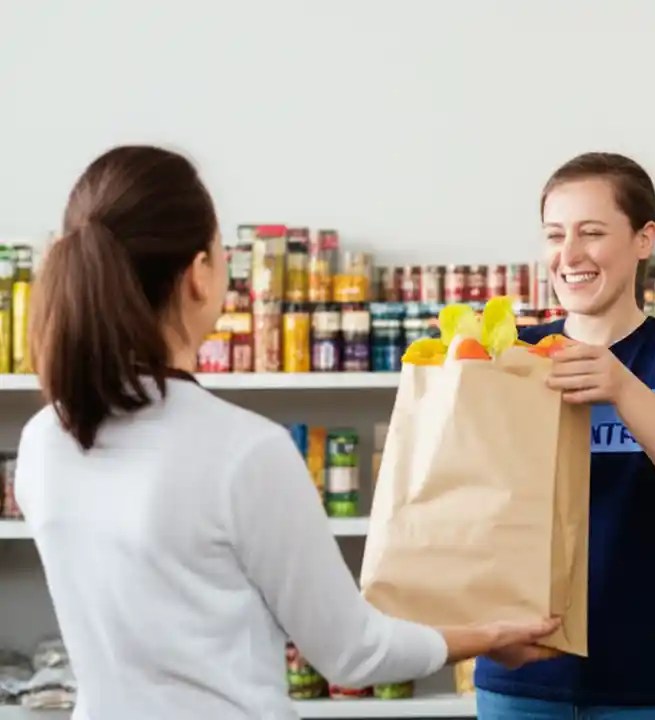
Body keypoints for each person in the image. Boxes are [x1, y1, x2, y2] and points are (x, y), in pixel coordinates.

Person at [15, 145, 559, 719]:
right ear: (200, 275)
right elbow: (354, 653)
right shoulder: (241, 451)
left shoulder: (44, 441)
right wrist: (492, 635)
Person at [474, 152, 655, 719]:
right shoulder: (511, 355)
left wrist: (622, 388)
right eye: (555, 234)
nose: (569, 255)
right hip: (521, 676)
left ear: (645, 239)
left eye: (592, 232)